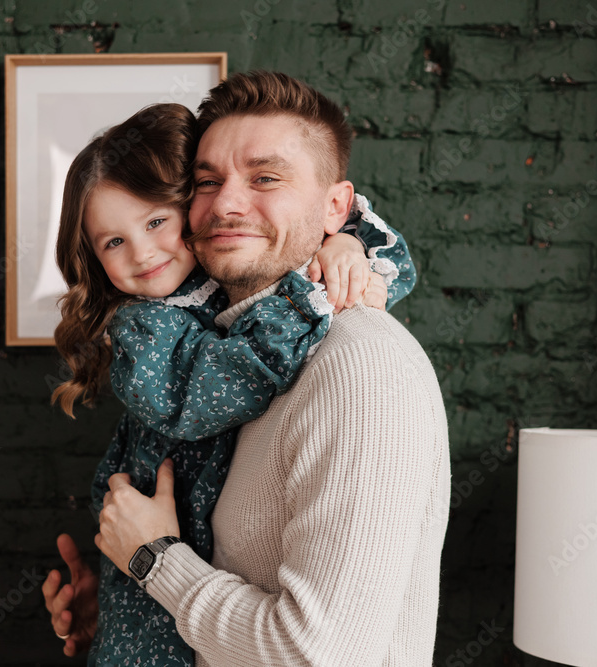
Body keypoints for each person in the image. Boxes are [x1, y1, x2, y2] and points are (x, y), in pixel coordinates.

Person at [43, 100, 417, 666]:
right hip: (161, 528)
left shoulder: (354, 362)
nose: (143, 252)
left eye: (155, 222)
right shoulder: (148, 323)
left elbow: (319, 651)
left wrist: (346, 248)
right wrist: (312, 294)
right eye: (112, 242)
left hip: (168, 551)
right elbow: (206, 393)